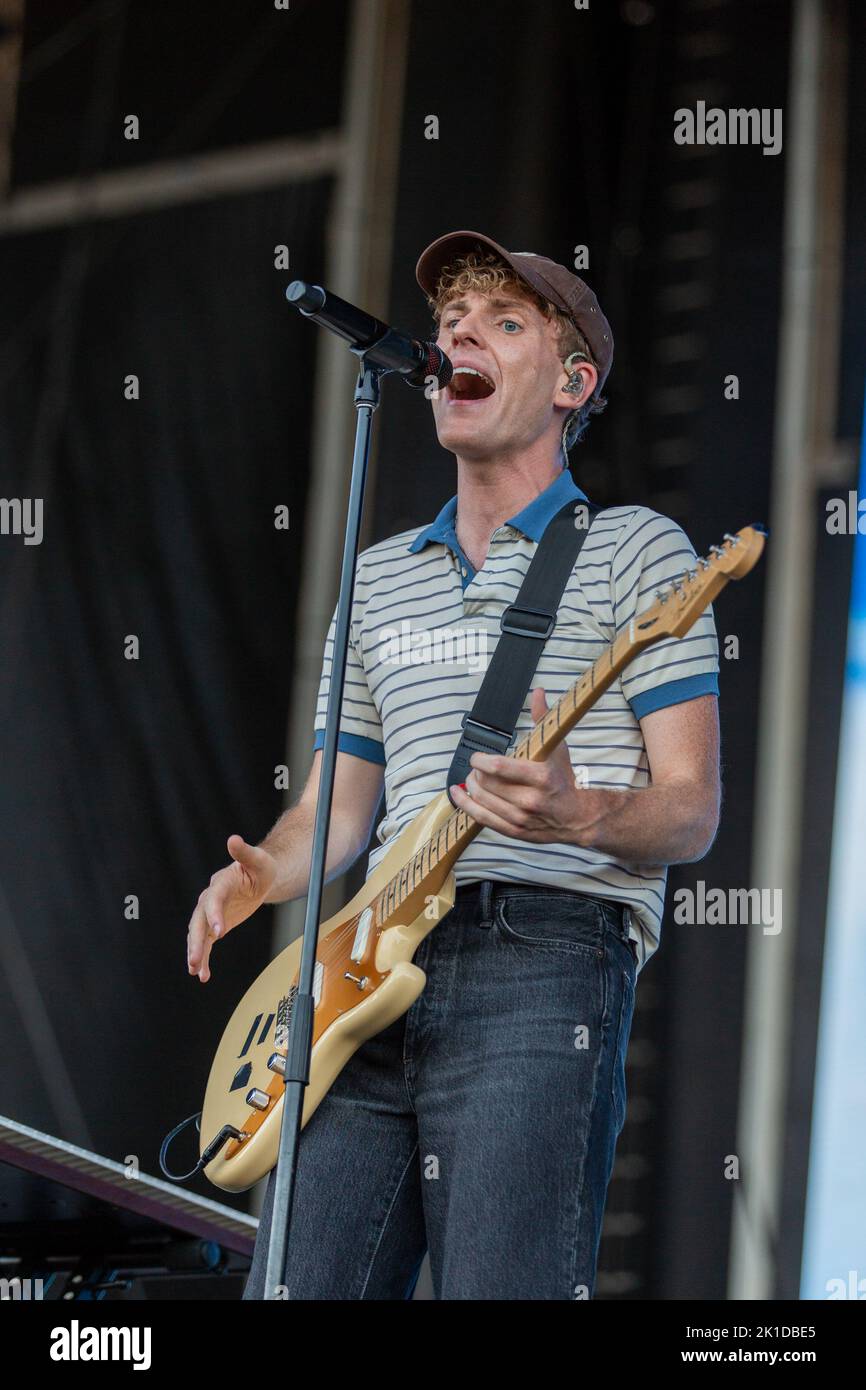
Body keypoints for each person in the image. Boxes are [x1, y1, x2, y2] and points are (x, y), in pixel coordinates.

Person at [186, 230, 721, 1300]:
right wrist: (267, 872)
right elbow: (335, 813)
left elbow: (690, 812)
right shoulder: (380, 576)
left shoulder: (636, 550)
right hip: (363, 966)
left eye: (502, 322)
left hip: (542, 957)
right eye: (445, 326)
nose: (456, 336)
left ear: (572, 383)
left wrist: (577, 811)